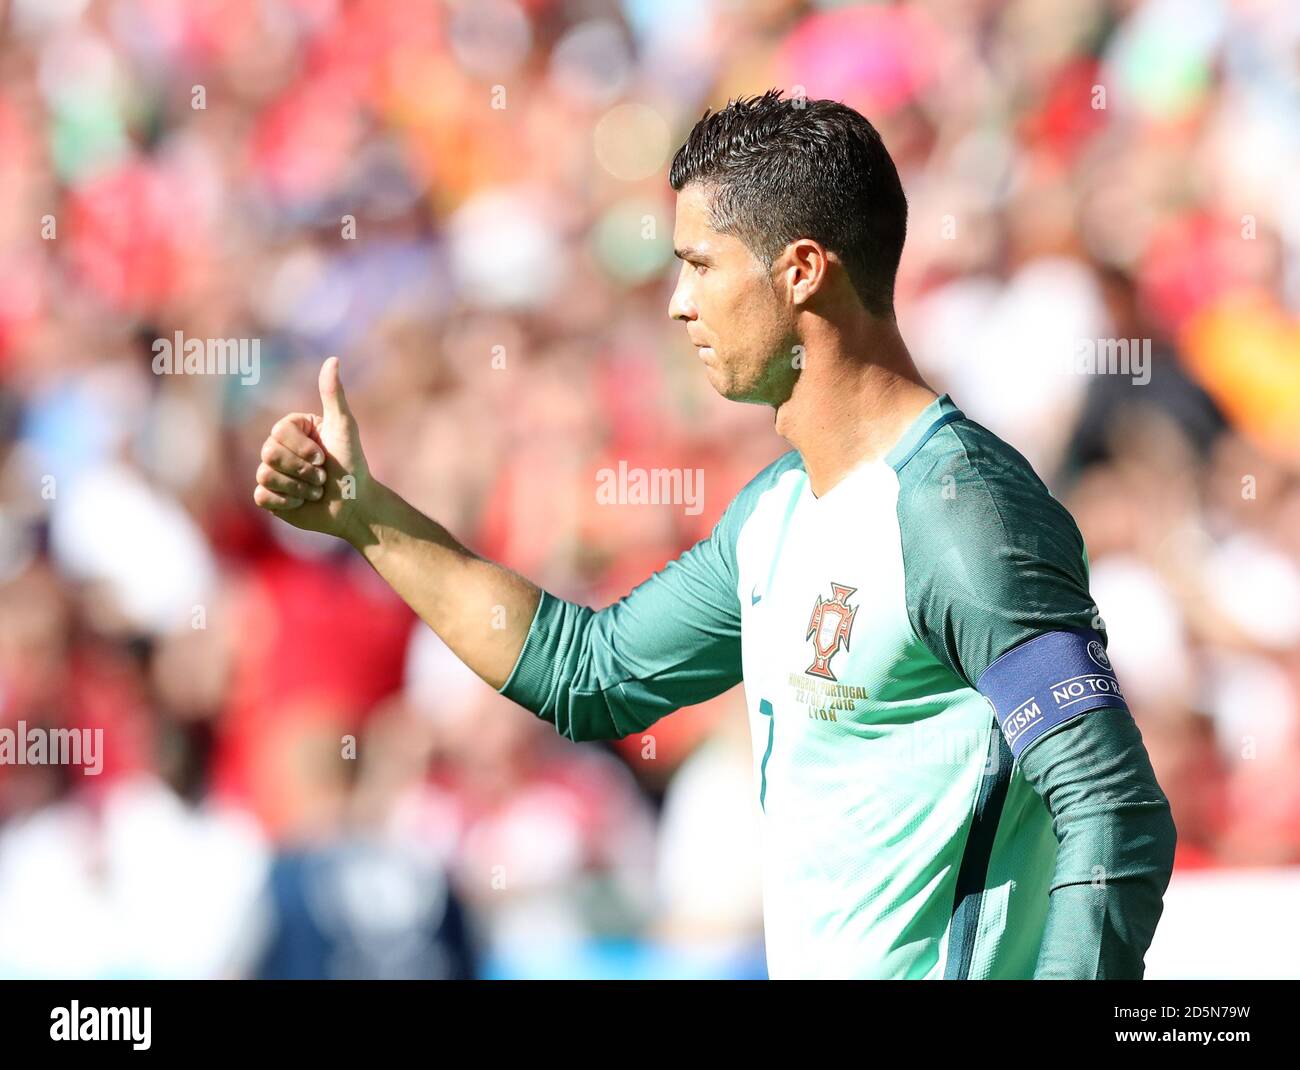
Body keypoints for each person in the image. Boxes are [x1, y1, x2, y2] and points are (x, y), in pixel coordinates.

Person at [251, 89, 1176, 980]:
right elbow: (590, 673)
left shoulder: (961, 511)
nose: (676, 302)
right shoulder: (776, 509)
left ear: (801, 269)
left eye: (700, 264)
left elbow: (1111, 804)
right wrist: (365, 518)